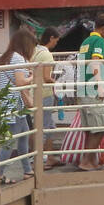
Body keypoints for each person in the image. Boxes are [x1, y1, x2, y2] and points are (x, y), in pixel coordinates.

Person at [0, 27, 36, 183]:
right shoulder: (18, 58)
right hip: (14, 104)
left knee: (23, 134)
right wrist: (32, 77)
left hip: (8, 102)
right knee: (10, 140)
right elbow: (20, 82)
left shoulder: (7, 56)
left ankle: (27, 170)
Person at [76, 12, 104, 170]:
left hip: (83, 89)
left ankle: (89, 161)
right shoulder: (98, 40)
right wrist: (100, 87)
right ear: (103, 28)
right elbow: (95, 63)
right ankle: (86, 161)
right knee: (100, 127)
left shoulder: (86, 41)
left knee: (91, 128)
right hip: (92, 90)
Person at [32, 28, 60, 170]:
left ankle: (49, 158)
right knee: (44, 127)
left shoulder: (34, 52)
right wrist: (59, 84)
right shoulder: (47, 55)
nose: (56, 43)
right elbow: (47, 77)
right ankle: (39, 162)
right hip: (45, 94)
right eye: (56, 40)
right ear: (51, 38)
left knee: (49, 126)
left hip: (34, 93)